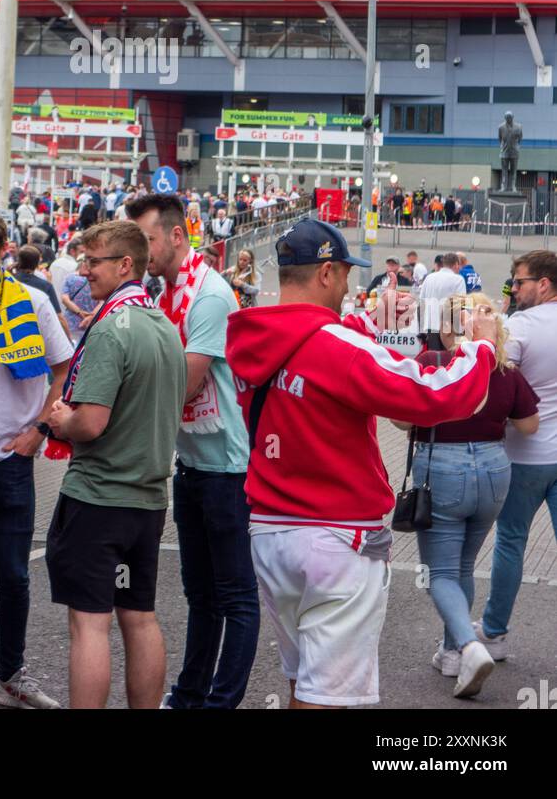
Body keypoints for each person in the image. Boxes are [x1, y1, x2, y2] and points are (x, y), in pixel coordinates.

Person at [226, 217, 497, 710]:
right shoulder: (335, 346)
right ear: (327, 273)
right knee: (327, 696)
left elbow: (313, 348)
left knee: (302, 681)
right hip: (336, 536)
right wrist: (480, 345)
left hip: (270, 529)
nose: (349, 285)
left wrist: (372, 323)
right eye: (346, 275)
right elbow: (434, 396)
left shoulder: (255, 336)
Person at [45, 220, 186, 709]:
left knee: (89, 624)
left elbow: (91, 424)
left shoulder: (111, 327)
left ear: (126, 264)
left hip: (98, 496)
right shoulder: (164, 326)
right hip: (147, 500)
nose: (84, 272)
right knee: (139, 616)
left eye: (93, 262)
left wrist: (63, 419)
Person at [127, 193, 259, 710]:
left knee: (235, 597)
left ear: (177, 236)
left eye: (148, 240)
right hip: (191, 464)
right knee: (199, 596)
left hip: (227, 468)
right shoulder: (166, 291)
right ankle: (188, 696)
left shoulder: (207, 295)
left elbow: (184, 381)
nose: (141, 252)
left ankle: (219, 703)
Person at [0, 210, 72, 708]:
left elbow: (66, 368)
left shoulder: (30, 300)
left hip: (11, 459)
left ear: (2, 250)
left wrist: (38, 431)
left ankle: (10, 677)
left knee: (13, 576)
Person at [395, 293, 539, 698]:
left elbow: (401, 418)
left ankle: (468, 647)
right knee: (463, 565)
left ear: (446, 327)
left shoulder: (431, 363)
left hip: (441, 467)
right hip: (495, 469)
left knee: (439, 572)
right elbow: (529, 425)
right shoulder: (505, 372)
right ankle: (452, 649)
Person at [479, 250, 557, 659]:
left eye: (519, 282)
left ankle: (493, 634)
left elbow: (501, 383)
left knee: (511, 542)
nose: (513, 289)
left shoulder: (520, 325)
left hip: (525, 454)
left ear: (543, 284)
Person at [419, 252, 467, 346]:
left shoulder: (429, 277)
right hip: (450, 327)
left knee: (434, 358)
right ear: (456, 264)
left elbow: (421, 302)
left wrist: (421, 327)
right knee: (449, 358)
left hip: (431, 325)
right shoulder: (458, 279)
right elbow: (461, 305)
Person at [60, 258, 96, 342]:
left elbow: (64, 299)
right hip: (91, 322)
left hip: (71, 322)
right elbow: (102, 301)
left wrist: (79, 312)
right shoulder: (98, 279)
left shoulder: (70, 278)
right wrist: (91, 315)